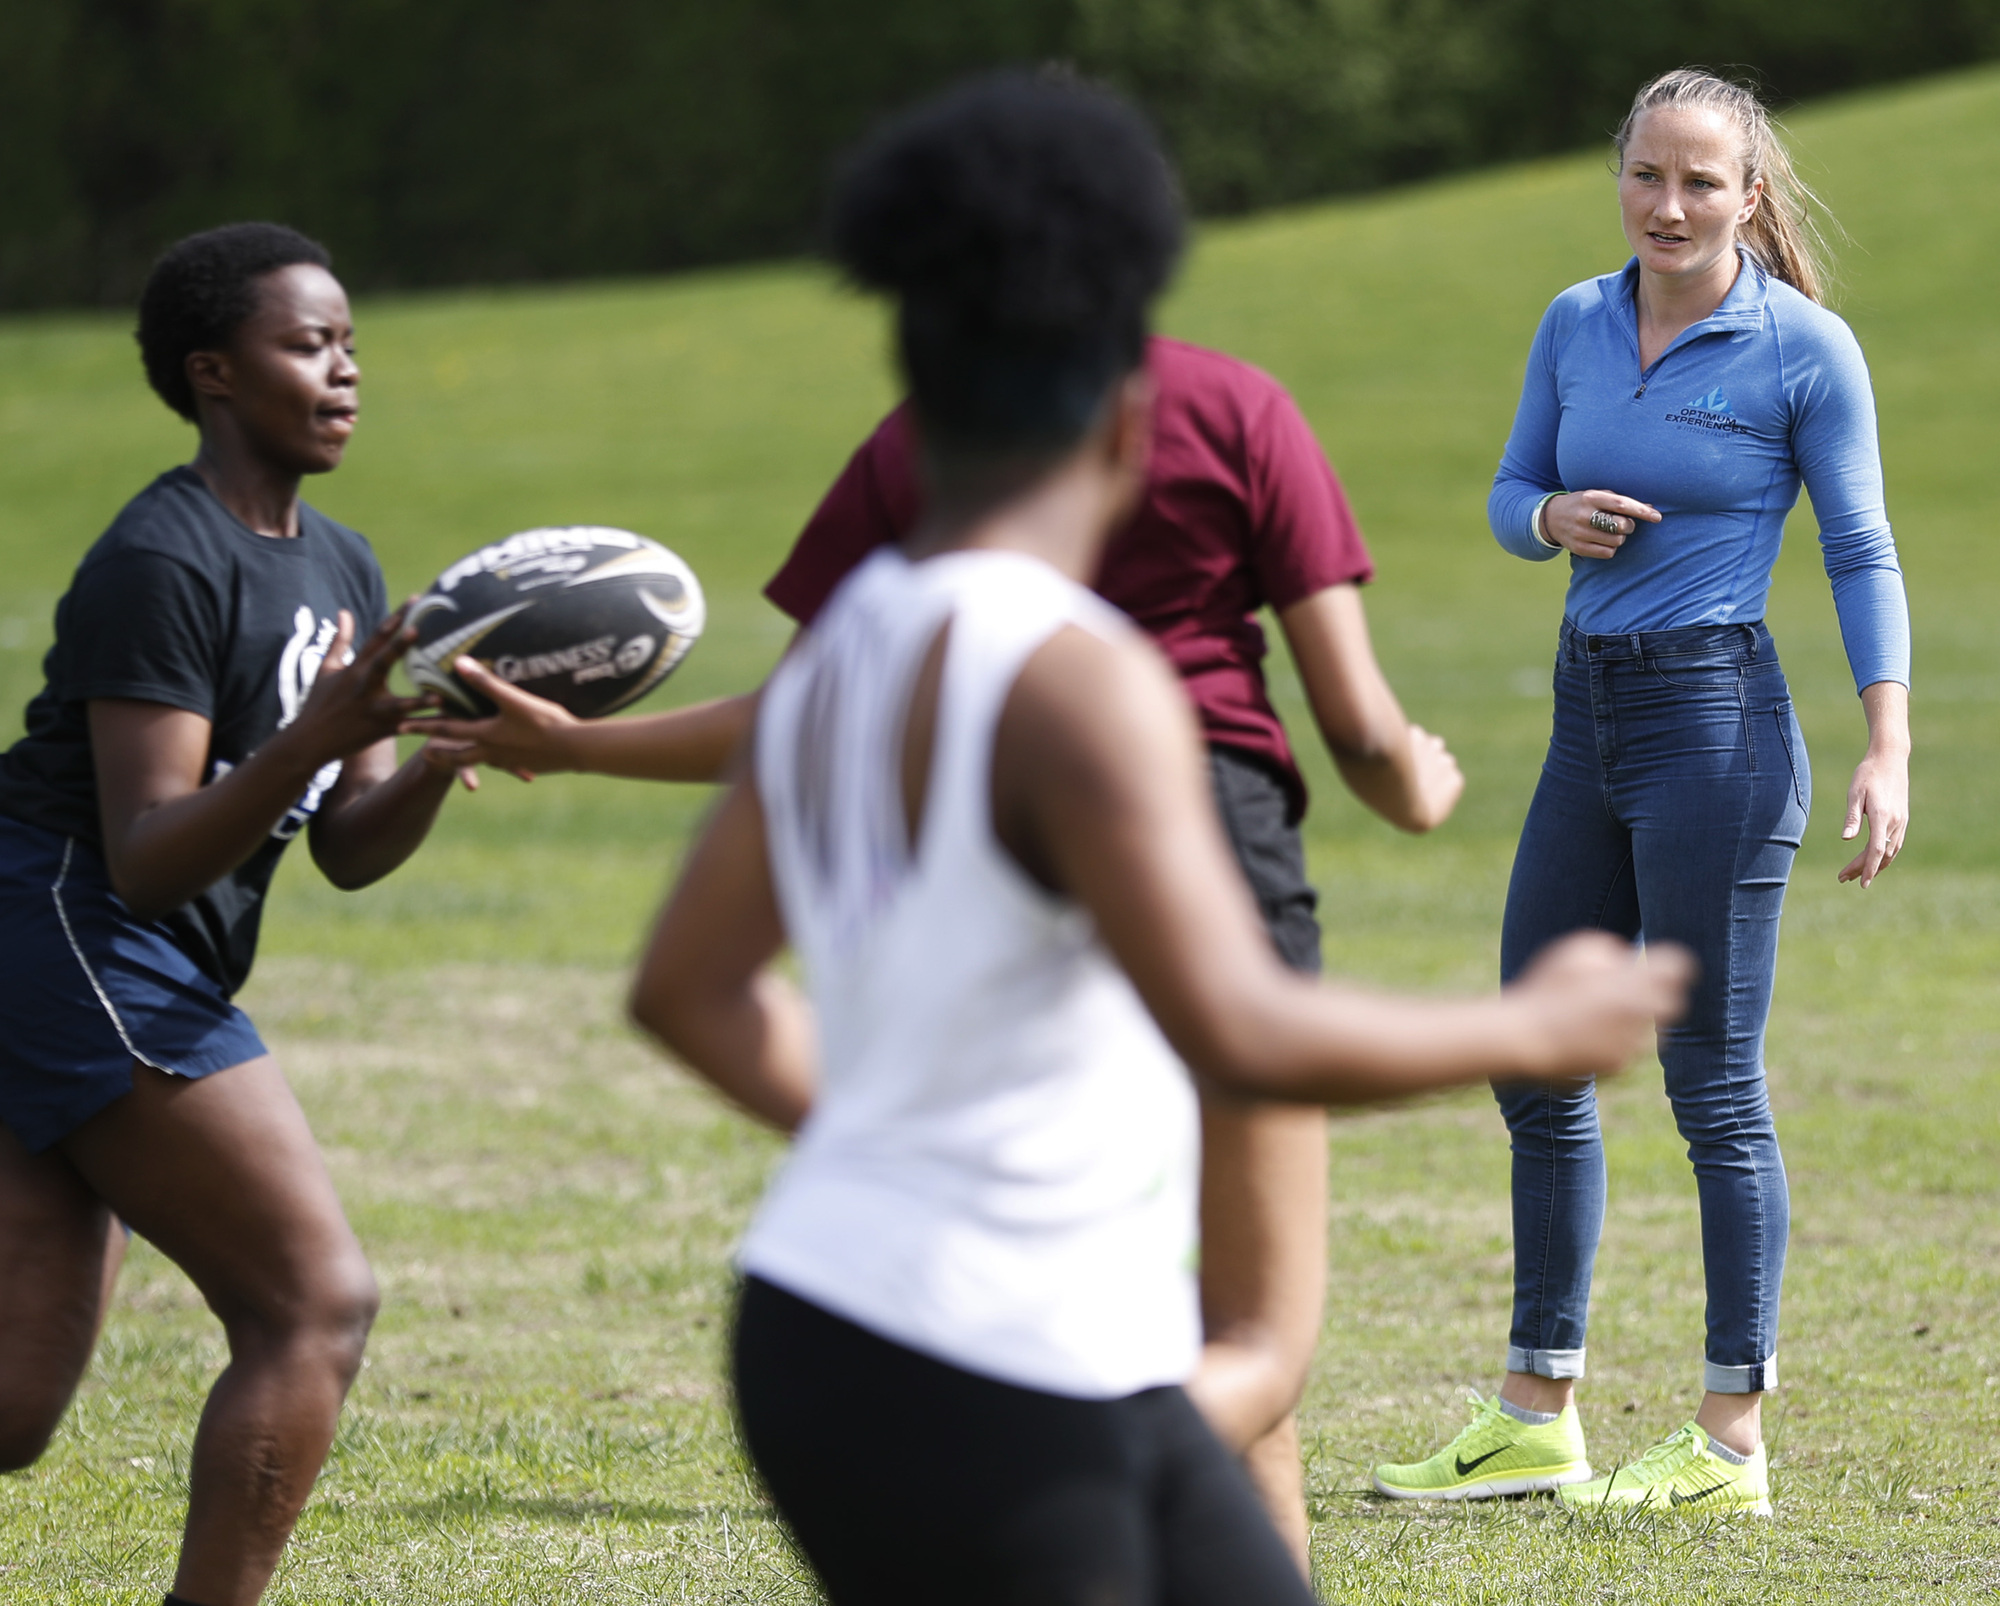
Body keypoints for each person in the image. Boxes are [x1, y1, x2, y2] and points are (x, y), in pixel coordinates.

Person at [623, 73, 1689, 1604]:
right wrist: (1532, 1024)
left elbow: (684, 987)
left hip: (843, 1325)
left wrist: (882, 1144)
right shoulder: (1084, 683)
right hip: (982, 1366)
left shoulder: (848, 651)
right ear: (1131, 421)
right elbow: (1240, 1028)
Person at [414, 134, 1462, 1593]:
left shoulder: (907, 480)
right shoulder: (1224, 412)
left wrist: (585, 747)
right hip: (1213, 836)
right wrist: (1461, 874)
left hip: (941, 931)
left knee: (1198, 1339)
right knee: (1249, 1345)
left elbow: (799, 726)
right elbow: (1352, 734)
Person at [1371, 68, 1911, 1517]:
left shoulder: (1804, 349)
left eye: (1699, 182)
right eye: (1646, 176)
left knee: (1711, 1084)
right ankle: (1535, 1415)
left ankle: (1729, 1442)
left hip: (1717, 729)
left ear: (1749, 196)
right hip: (1585, 719)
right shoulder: (1574, 321)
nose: (1668, 206)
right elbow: (1508, 495)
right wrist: (1548, 516)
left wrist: (1889, 741)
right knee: (1533, 1055)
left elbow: (1861, 549)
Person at [0, 223, 467, 1606]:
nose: (345, 372)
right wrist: (312, 733)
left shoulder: (343, 566)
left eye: (350, 346)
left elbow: (347, 846)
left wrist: (435, 757)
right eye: (308, 344)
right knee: (313, 1301)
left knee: (11, 1400)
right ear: (213, 371)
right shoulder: (164, 557)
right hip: (71, 927)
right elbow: (147, 855)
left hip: (96, 948)